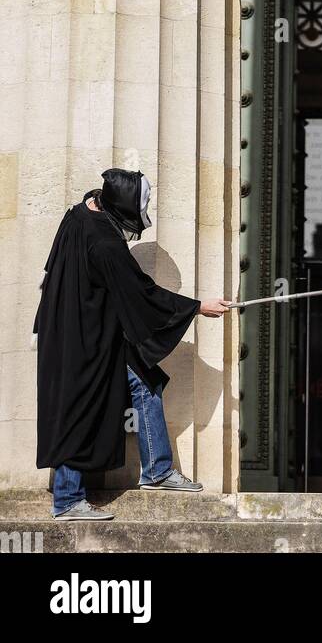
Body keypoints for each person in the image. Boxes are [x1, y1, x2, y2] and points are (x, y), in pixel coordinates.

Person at [34, 168, 231, 520]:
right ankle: (66, 500)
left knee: (144, 381)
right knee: (77, 406)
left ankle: (156, 469)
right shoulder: (106, 244)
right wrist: (199, 307)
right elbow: (142, 293)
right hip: (81, 336)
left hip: (78, 324)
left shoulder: (83, 210)